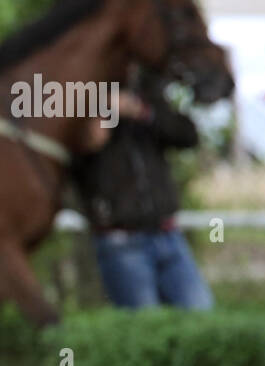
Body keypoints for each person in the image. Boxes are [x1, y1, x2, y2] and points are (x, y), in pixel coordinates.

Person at [72, 65, 214, 310]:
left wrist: (142, 111)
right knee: (145, 330)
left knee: (202, 317)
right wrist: (92, 130)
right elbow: (65, 159)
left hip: (167, 233)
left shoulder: (148, 89)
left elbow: (187, 135)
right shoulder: (77, 94)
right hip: (120, 240)